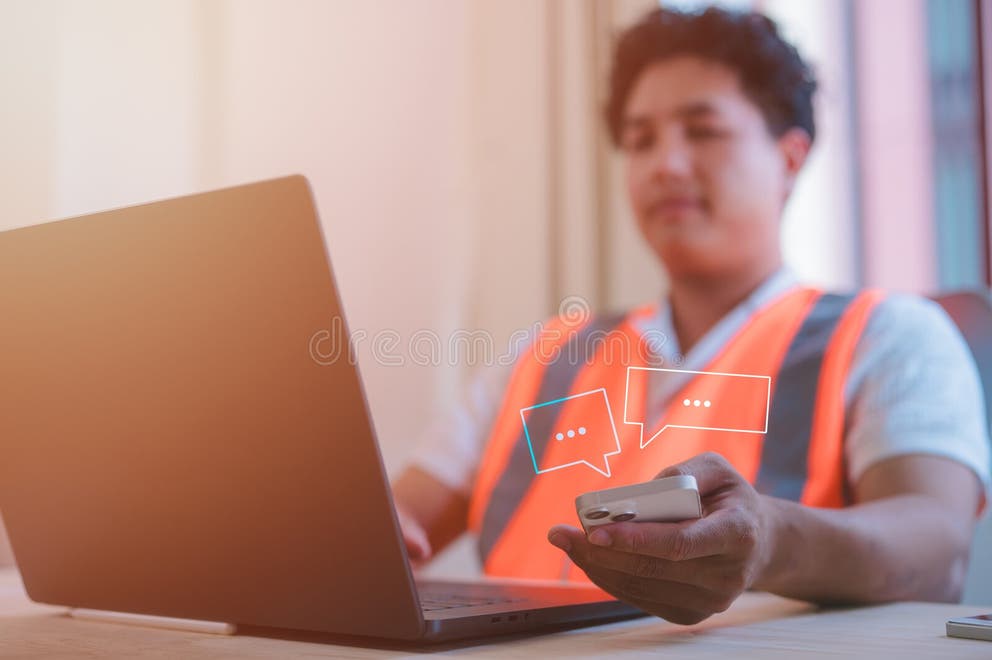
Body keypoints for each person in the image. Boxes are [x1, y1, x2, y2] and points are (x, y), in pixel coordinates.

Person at [392, 6, 990, 624]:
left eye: (702, 131)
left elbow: (935, 547)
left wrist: (772, 539)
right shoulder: (543, 355)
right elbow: (397, 523)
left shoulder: (889, 336)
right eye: (639, 139)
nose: (664, 165)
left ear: (789, 159)